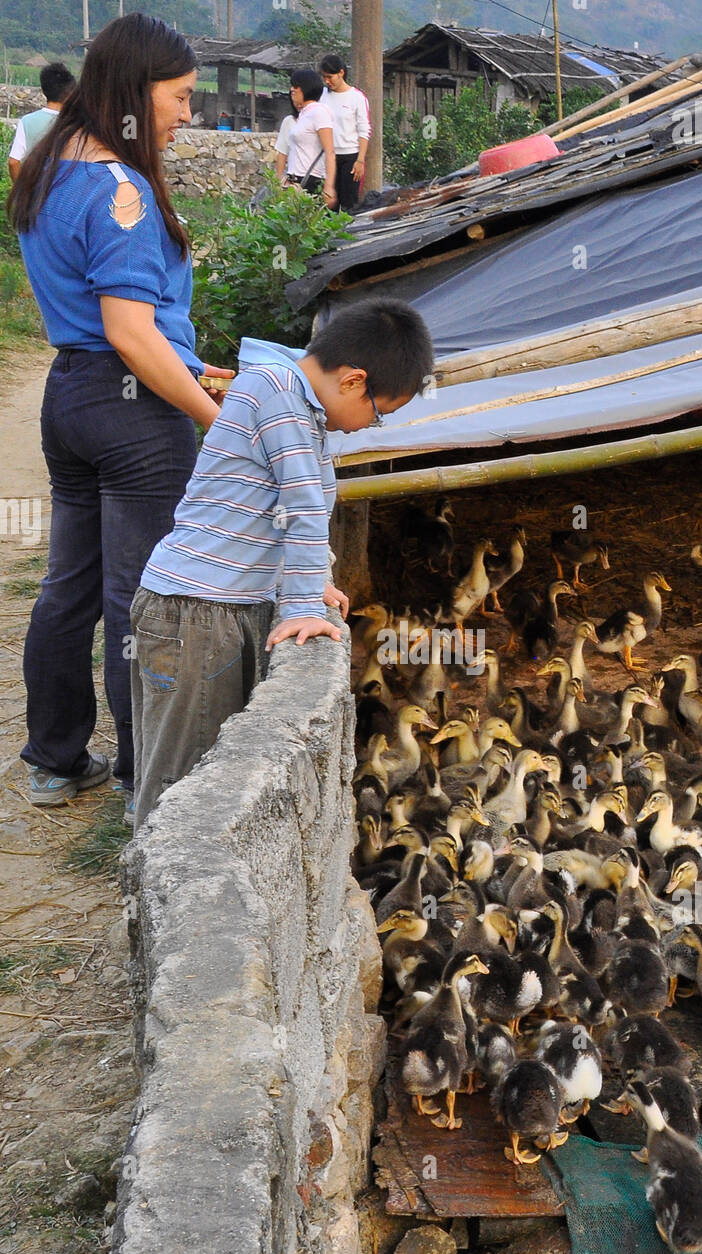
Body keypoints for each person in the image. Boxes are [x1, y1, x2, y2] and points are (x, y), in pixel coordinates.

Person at [8, 14, 233, 823]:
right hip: (131, 416)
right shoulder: (121, 189)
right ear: (135, 91)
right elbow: (130, 332)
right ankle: (148, 778)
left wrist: (192, 363)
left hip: (70, 400)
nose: (184, 115)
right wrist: (210, 411)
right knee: (137, 600)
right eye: (178, 97)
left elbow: (111, 322)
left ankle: (54, 759)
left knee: (67, 586)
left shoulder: (45, 168)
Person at [130, 298, 433, 831]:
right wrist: (297, 605)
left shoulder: (301, 404)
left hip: (232, 604)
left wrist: (315, 580)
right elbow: (302, 508)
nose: (372, 426)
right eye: (380, 412)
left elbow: (311, 496)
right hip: (194, 609)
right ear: (354, 381)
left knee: (215, 767)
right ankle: (159, 896)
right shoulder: (277, 394)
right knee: (183, 779)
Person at [274, 68, 336, 207]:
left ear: (305, 89)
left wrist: (329, 186)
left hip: (310, 180)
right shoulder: (303, 114)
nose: (292, 90)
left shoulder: (319, 112)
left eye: (296, 87)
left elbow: (329, 151)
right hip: (294, 179)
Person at [319, 55, 371, 213]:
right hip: (328, 156)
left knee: (349, 203)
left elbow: (364, 129)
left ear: (341, 73)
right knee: (327, 204)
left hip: (350, 157)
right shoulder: (322, 96)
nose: (327, 81)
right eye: (324, 77)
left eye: (330, 76)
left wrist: (360, 160)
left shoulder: (357, 98)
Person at [8, 62, 75, 181]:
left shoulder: (27, 121)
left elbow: (13, 162)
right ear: (70, 93)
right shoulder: (74, 123)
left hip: (36, 191)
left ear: (44, 90)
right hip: (65, 193)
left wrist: (22, 190)